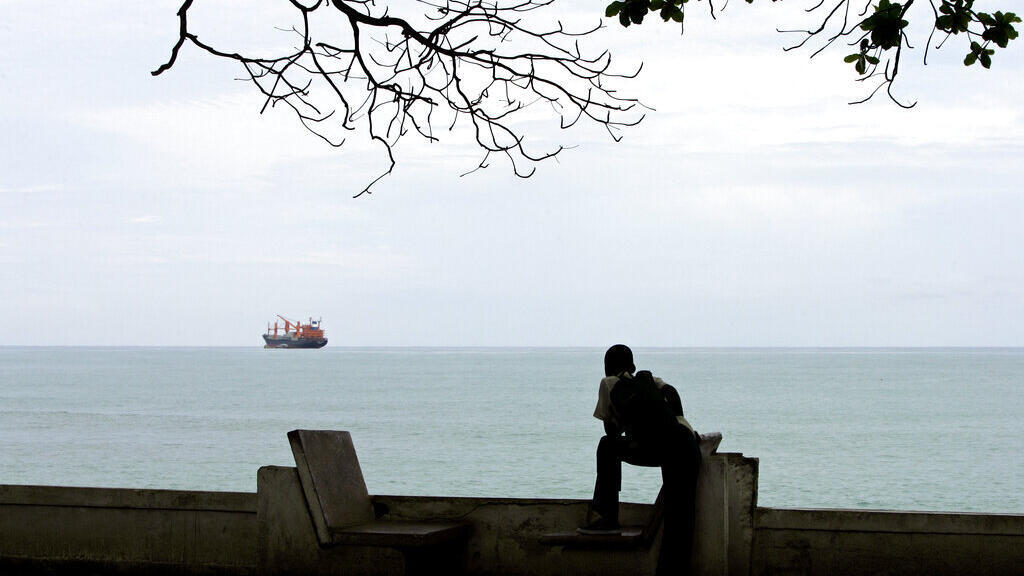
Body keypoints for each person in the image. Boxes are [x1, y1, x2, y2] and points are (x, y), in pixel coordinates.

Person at [579, 344, 702, 576]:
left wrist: (631, 427)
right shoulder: (655, 382)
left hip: (661, 447)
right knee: (681, 520)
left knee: (606, 447)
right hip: (687, 445)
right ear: (633, 366)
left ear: (607, 368)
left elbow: (611, 433)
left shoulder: (609, 383)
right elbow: (675, 405)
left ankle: (607, 517)